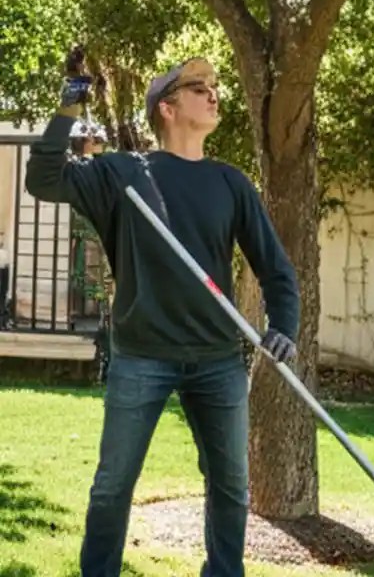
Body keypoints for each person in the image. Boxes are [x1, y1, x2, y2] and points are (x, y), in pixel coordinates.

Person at [25, 53, 301, 577]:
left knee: (229, 486)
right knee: (113, 487)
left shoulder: (230, 183)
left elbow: (277, 270)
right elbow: (42, 178)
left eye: (214, 86)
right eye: (199, 87)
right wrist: (67, 106)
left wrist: (284, 326)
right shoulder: (124, 174)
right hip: (142, 356)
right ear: (167, 108)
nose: (214, 92)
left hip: (218, 359)